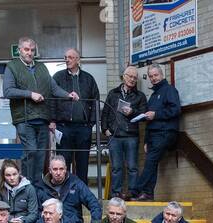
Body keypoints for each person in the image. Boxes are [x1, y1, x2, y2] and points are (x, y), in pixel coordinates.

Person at [2, 36, 75, 186]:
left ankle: (38, 187)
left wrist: (68, 95)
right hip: (24, 118)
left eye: (32, 50)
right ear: (19, 50)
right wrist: (30, 94)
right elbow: (8, 91)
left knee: (41, 155)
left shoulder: (42, 67)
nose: (29, 53)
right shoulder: (12, 66)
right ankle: (27, 186)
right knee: (31, 152)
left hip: (42, 118)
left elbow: (53, 88)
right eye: (26, 49)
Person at [129, 63, 180, 201]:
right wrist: (146, 140)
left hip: (165, 132)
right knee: (152, 163)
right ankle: (148, 194)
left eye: (156, 75)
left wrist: (156, 114)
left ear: (162, 75)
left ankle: (135, 190)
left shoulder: (169, 90)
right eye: (151, 76)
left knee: (150, 162)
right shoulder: (153, 95)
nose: (153, 78)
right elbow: (148, 119)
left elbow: (175, 110)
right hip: (154, 134)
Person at [51, 48, 101, 186]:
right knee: (62, 163)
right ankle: (62, 193)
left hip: (83, 128)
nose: (67, 59)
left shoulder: (88, 78)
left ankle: (81, 194)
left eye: (71, 57)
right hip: (64, 127)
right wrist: (52, 121)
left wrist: (91, 124)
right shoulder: (58, 77)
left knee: (82, 163)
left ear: (78, 60)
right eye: (65, 57)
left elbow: (95, 100)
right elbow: (52, 100)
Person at [103, 65, 146, 199]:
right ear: (124, 77)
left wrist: (133, 112)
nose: (132, 79)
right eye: (130, 76)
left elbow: (144, 114)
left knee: (132, 167)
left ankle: (133, 193)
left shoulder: (140, 96)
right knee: (116, 167)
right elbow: (105, 113)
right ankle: (116, 193)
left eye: (135, 78)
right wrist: (105, 129)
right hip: (115, 136)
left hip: (131, 136)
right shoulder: (113, 93)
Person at [37, 154, 100, 223]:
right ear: (50, 170)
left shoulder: (76, 183)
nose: (58, 172)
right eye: (55, 169)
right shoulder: (41, 187)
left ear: (65, 169)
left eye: (61, 169)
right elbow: (36, 212)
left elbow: (94, 204)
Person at [0, 159, 39, 223]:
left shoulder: (29, 188)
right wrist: (9, 219)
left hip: (25, 222)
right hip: (4, 222)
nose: (12, 178)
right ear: (3, 176)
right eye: (8, 175)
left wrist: (23, 220)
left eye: (14, 174)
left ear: (19, 173)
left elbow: (33, 213)